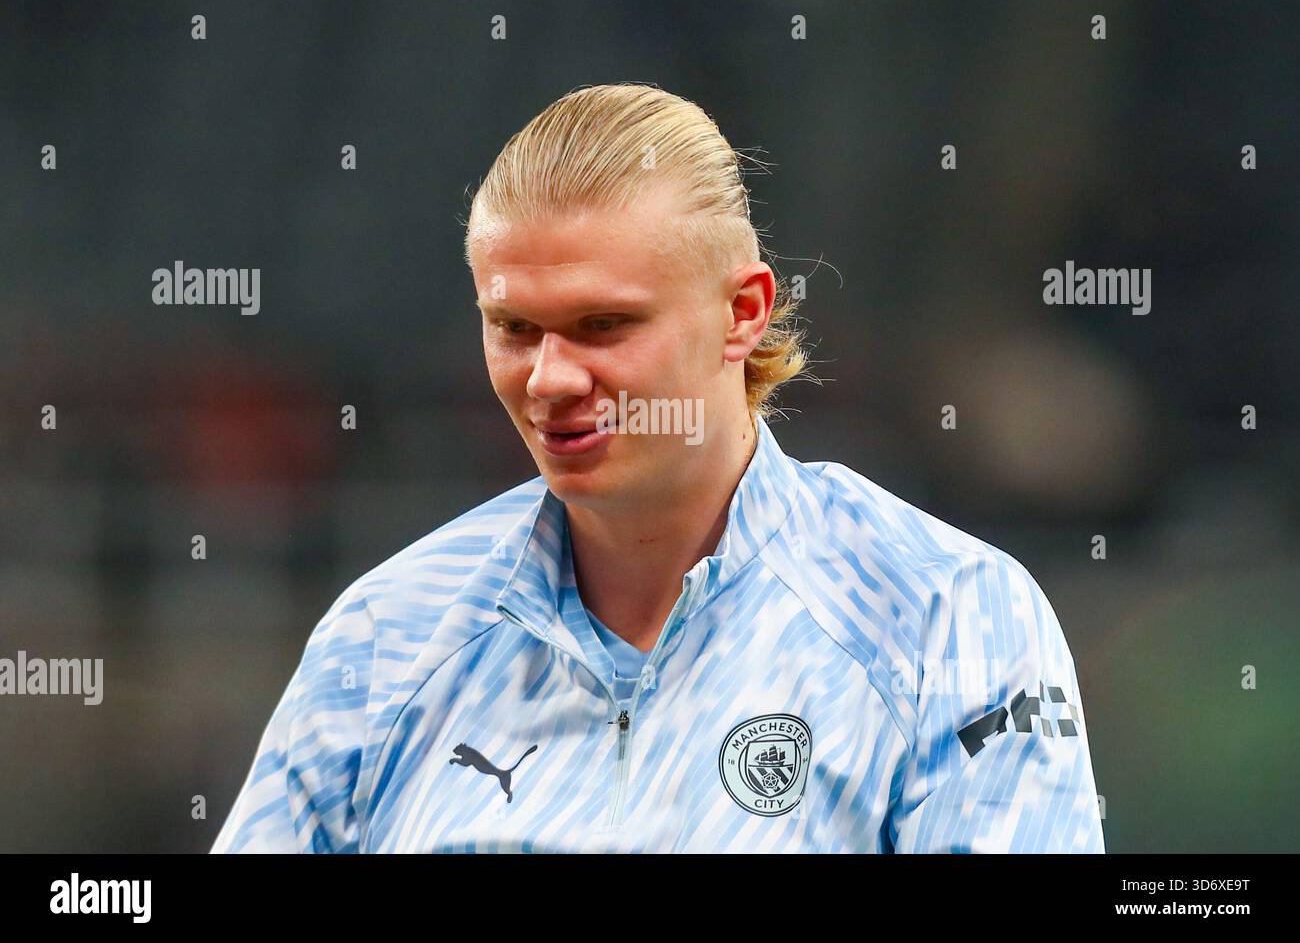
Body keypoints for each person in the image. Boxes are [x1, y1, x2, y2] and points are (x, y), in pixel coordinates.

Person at [213, 82, 1104, 853]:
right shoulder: (383, 636)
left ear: (743, 313)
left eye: (606, 326)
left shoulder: (952, 618)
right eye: (515, 328)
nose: (550, 379)